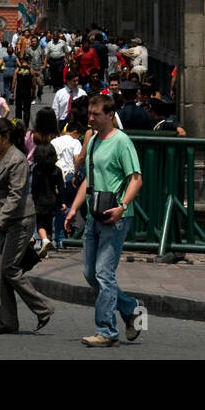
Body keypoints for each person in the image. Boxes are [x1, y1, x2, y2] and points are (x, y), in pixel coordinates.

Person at [64, 94, 144, 347]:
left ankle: (107, 331)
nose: (90, 118)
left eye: (96, 114)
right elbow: (90, 180)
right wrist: (74, 209)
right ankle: (132, 307)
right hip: (93, 214)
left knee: (103, 273)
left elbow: (136, 179)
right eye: (89, 113)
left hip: (115, 218)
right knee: (90, 273)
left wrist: (122, 207)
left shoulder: (122, 142)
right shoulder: (94, 141)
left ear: (110, 115)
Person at [0, 117, 54, 335]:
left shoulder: (18, 159)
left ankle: (44, 308)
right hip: (2, 219)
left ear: (6, 137)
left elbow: (16, 195)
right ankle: (7, 321)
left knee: (10, 269)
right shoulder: (0, 156)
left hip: (19, 221)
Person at [30, 116, 63, 256]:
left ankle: (44, 240)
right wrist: (62, 202)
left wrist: (33, 197)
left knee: (41, 224)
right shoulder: (56, 170)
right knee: (49, 222)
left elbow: (34, 187)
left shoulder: (36, 170)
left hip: (40, 199)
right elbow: (61, 188)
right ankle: (47, 244)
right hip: (53, 199)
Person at [51, 109, 82, 247]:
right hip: (69, 175)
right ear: (75, 132)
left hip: (55, 175)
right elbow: (77, 159)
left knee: (58, 207)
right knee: (68, 205)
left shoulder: (54, 141)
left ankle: (57, 238)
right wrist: (76, 174)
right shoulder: (75, 142)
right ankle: (65, 236)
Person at [12, 59, 35, 126]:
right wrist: (33, 93)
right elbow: (34, 85)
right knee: (27, 109)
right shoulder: (31, 70)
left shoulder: (17, 69)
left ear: (22, 62)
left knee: (18, 109)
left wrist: (12, 91)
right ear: (28, 62)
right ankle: (26, 125)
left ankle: (18, 125)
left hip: (19, 91)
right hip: (27, 92)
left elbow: (14, 82)